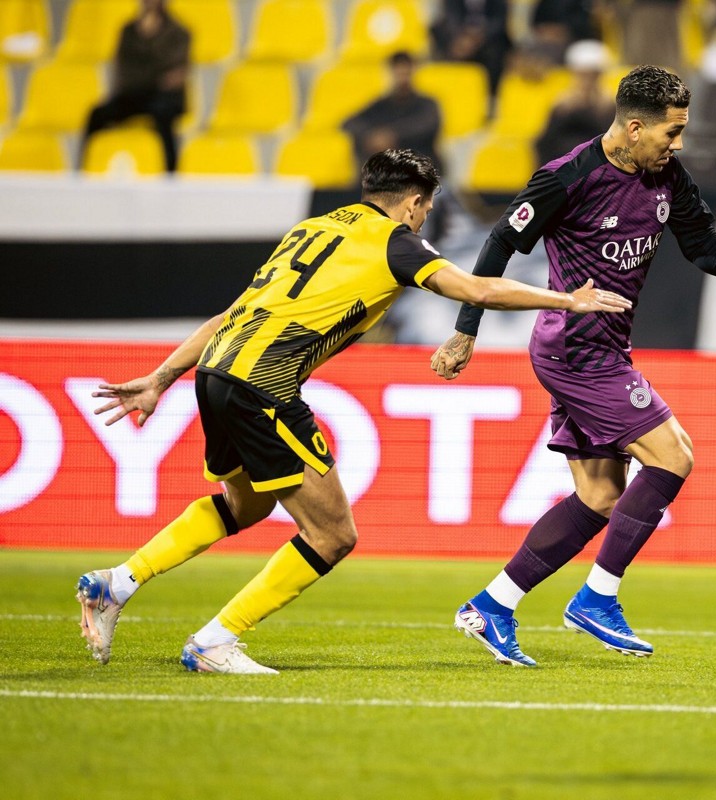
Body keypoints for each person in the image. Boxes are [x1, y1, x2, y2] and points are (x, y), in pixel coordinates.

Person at [75, 149, 632, 675]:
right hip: (263, 386)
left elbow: (232, 314)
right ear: (413, 203)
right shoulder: (397, 243)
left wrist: (160, 377)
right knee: (332, 534)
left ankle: (117, 582)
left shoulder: (311, 230)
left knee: (243, 507)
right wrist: (566, 299)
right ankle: (216, 640)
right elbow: (476, 289)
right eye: (427, 209)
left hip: (215, 374)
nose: (425, 220)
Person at [431, 65, 716, 667]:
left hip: (604, 348)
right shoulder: (568, 177)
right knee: (674, 455)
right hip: (574, 347)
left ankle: (494, 603)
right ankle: (597, 598)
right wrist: (465, 333)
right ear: (635, 126)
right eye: (671, 134)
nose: (678, 146)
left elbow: (700, 242)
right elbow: (496, 247)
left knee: (598, 496)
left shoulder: (667, 174)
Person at [80, 0, 190, 173]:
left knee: (163, 116)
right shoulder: (128, 31)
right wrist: (156, 75)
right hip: (132, 95)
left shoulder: (179, 32)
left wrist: (150, 74)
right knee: (97, 114)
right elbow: (127, 72)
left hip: (163, 99)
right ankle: (83, 173)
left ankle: (171, 176)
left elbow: (174, 76)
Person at [343, 51, 442, 174]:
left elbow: (427, 125)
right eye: (399, 73)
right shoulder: (380, 105)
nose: (402, 78)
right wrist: (371, 136)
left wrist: (393, 135)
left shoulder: (427, 104)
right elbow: (349, 123)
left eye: (406, 73)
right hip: (388, 172)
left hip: (419, 171)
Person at [535, 39, 616, 166]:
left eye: (593, 76)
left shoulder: (611, 107)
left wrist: (601, 112)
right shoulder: (561, 105)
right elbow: (545, 145)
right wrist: (564, 112)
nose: (587, 82)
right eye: (583, 76)